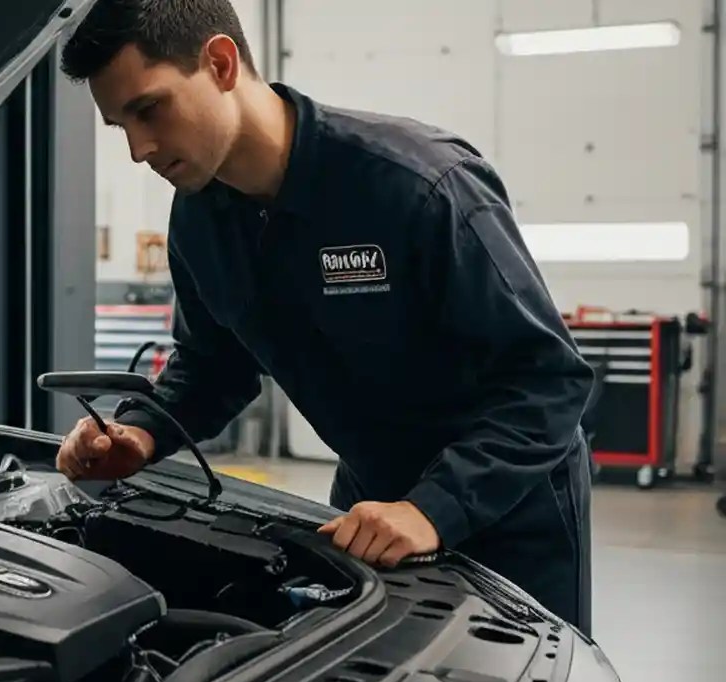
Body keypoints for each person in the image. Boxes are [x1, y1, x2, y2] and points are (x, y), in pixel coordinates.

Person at [55, 0, 595, 634]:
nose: (140, 150)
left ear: (222, 63)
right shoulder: (199, 218)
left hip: (509, 515)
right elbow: (212, 366)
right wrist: (141, 432)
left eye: (150, 109)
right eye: (121, 127)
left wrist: (432, 509)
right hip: (369, 508)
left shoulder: (417, 186)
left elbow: (547, 381)